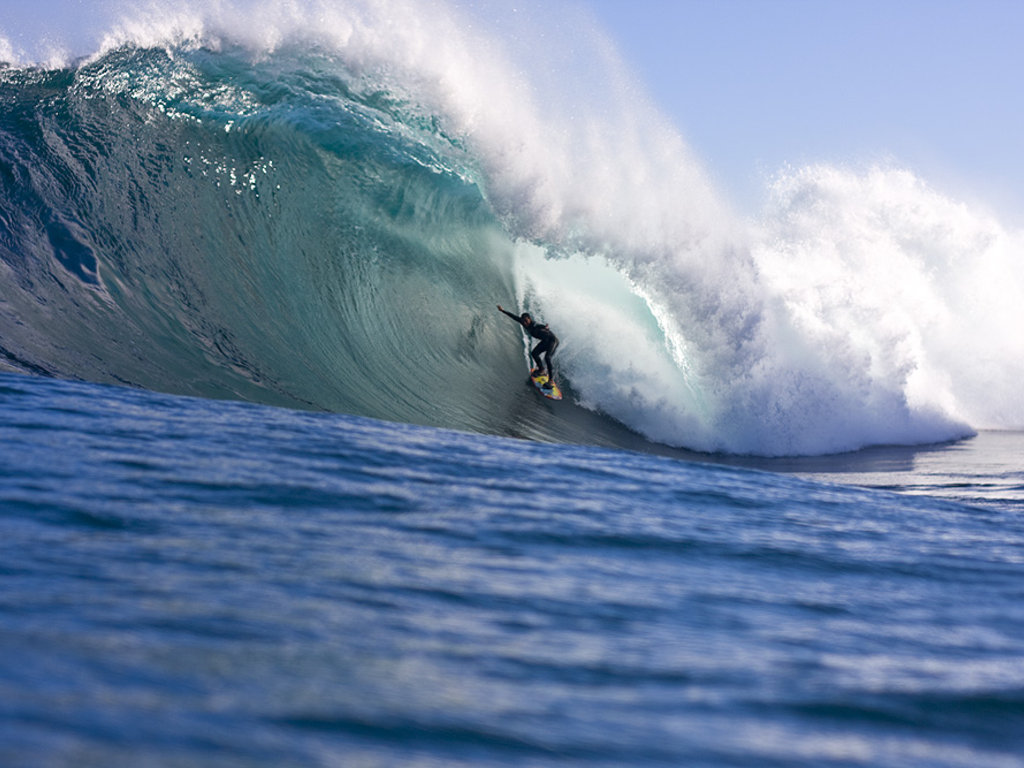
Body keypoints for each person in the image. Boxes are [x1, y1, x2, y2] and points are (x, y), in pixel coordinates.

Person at [497, 304, 559, 389]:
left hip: (553, 341)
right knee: (534, 353)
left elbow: (540, 325)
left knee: (547, 357)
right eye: (523, 321)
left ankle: (551, 381)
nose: (525, 323)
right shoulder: (523, 323)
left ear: (529, 319)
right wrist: (502, 310)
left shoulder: (534, 325)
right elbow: (514, 317)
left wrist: (545, 327)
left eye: (526, 321)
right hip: (545, 341)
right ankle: (542, 370)